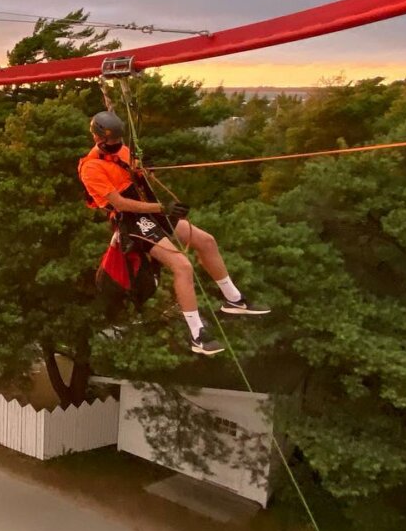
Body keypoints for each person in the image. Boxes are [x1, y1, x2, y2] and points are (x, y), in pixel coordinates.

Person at [78, 111, 269, 355]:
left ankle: (234, 299)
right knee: (182, 266)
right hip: (132, 221)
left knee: (206, 241)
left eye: (118, 141)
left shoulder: (124, 151)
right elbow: (120, 204)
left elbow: (139, 175)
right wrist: (162, 208)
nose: (116, 146)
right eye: (111, 142)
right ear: (97, 138)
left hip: (150, 212)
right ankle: (197, 334)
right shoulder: (91, 168)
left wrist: (148, 170)